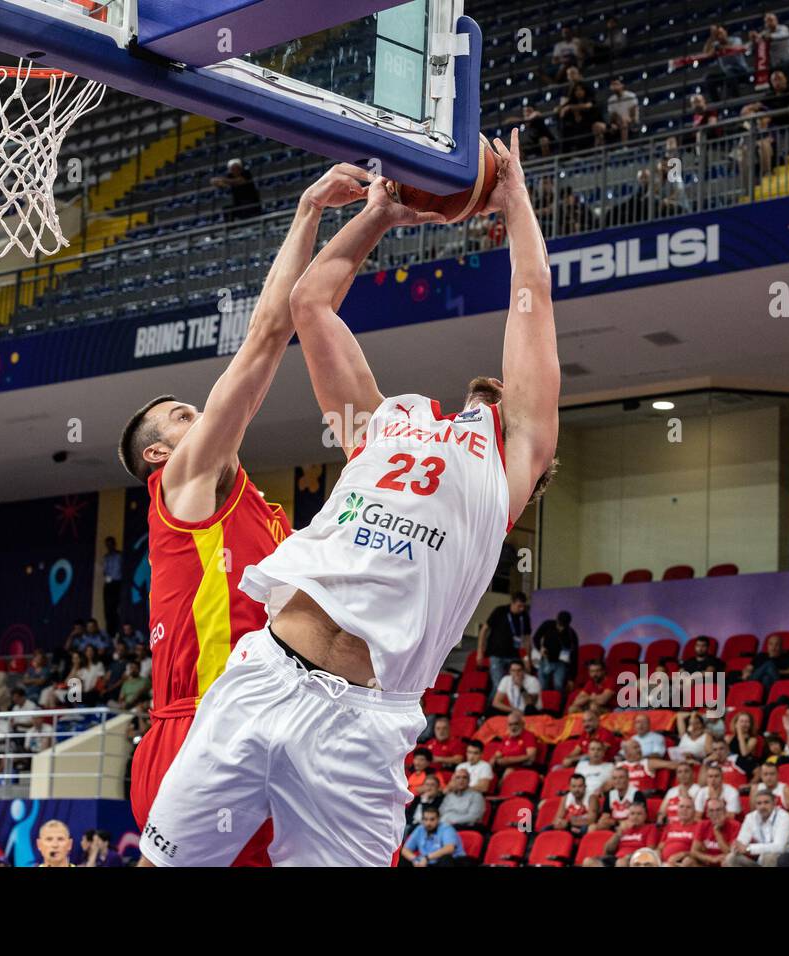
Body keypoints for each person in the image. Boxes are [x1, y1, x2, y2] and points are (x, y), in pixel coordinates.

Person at [141, 131, 557, 867]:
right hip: (265, 673)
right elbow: (311, 304)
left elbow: (532, 299)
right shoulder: (380, 423)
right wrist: (380, 216)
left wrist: (515, 204)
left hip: (363, 725)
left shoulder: (509, 459)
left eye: (501, 391)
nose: (490, 388)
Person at [124, 166, 369, 867]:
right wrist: (309, 210)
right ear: (161, 455)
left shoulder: (269, 518)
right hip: (198, 723)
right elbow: (267, 335)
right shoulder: (181, 486)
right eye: (183, 415)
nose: (201, 413)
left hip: (273, 725)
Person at [479, 592, 532, 698]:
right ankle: (491, 709)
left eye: (523, 606)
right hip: (496, 654)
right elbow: (484, 629)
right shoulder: (500, 611)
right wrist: (480, 651)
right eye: (519, 606)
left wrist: (527, 658)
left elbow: (526, 639)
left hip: (513, 655)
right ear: (512, 603)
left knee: (515, 684)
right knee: (499, 685)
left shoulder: (524, 616)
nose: (521, 609)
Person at [726, 790, 789, 866]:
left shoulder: (784, 817)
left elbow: (779, 847)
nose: (762, 807)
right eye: (759, 803)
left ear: (774, 802)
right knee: (732, 858)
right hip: (760, 861)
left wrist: (748, 849)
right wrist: (736, 848)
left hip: (785, 861)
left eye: (766, 802)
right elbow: (742, 842)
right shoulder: (750, 817)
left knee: (769, 856)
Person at [703, 25, 750, 103]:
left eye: (721, 33)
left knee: (730, 73)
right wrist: (711, 37)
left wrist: (721, 48)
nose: (720, 36)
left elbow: (736, 48)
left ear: (726, 32)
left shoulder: (735, 40)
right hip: (727, 73)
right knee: (708, 78)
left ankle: (736, 100)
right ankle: (716, 103)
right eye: (718, 34)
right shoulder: (716, 45)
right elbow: (706, 53)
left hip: (741, 71)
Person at [534, 610, 578, 692]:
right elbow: (536, 637)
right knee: (542, 686)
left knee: (559, 685)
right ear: (556, 620)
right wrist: (540, 648)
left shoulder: (571, 634)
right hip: (545, 659)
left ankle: (558, 703)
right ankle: (544, 703)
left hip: (560, 663)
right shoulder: (547, 625)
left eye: (563, 626)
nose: (560, 628)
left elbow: (574, 656)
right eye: (559, 625)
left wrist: (572, 678)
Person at [604, 801, 658, 867]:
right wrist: (619, 833)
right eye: (632, 814)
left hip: (636, 859)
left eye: (639, 814)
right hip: (616, 858)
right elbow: (608, 850)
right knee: (589, 861)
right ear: (628, 816)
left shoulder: (650, 828)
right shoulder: (624, 828)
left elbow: (649, 850)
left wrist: (630, 856)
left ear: (645, 816)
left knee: (621, 862)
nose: (635, 817)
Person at [689, 798, 739, 867]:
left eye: (718, 810)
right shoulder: (702, 825)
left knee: (727, 862)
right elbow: (694, 851)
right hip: (708, 862)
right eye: (711, 811)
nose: (715, 814)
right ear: (707, 814)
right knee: (688, 862)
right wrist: (712, 859)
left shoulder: (735, 825)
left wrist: (717, 832)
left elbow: (731, 854)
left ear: (725, 812)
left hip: (724, 861)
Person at [659, 800, 701, 866]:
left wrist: (682, 854)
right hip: (663, 863)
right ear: (677, 810)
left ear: (694, 812)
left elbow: (700, 851)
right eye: (681, 807)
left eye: (688, 807)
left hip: (681, 863)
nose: (684, 809)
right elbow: (660, 847)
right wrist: (656, 854)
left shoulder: (698, 827)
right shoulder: (670, 825)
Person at [101, 536, 124, 637]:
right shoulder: (106, 557)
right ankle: (110, 632)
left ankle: (116, 631)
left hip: (117, 584)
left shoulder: (120, 556)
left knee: (115, 608)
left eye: (110, 544)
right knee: (108, 609)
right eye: (107, 545)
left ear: (114, 544)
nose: (109, 546)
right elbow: (105, 571)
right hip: (108, 584)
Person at [605, 77, 639, 143]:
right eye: (613, 85)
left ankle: (624, 146)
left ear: (622, 85)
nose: (614, 87)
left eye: (616, 84)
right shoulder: (611, 100)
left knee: (624, 121)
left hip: (631, 121)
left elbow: (633, 115)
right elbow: (613, 117)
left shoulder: (631, 96)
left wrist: (627, 120)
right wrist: (615, 123)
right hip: (618, 123)